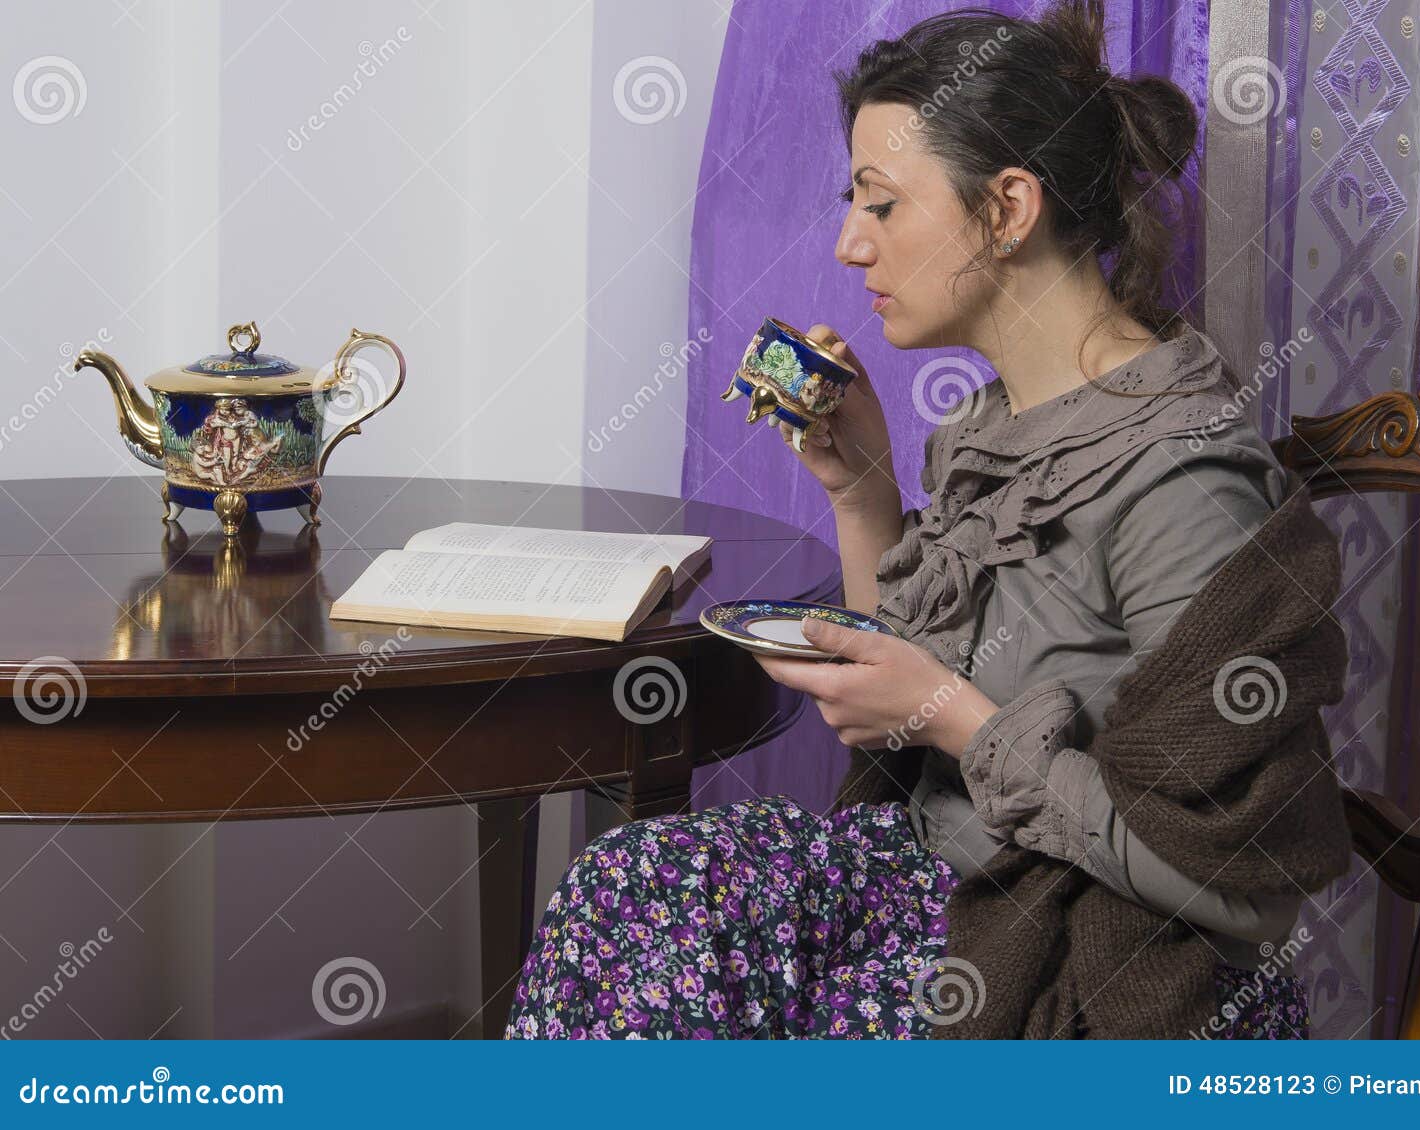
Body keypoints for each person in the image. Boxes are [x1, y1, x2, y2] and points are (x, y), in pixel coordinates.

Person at [505, 0, 1314, 1040]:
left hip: (1101, 957)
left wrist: (950, 712)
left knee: (691, 970)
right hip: (952, 883)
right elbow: (915, 674)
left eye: (880, 204)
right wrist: (860, 488)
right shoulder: (991, 425)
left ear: (1007, 208)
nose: (848, 244)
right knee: (627, 886)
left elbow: (1246, 887)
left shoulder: (1183, 480)